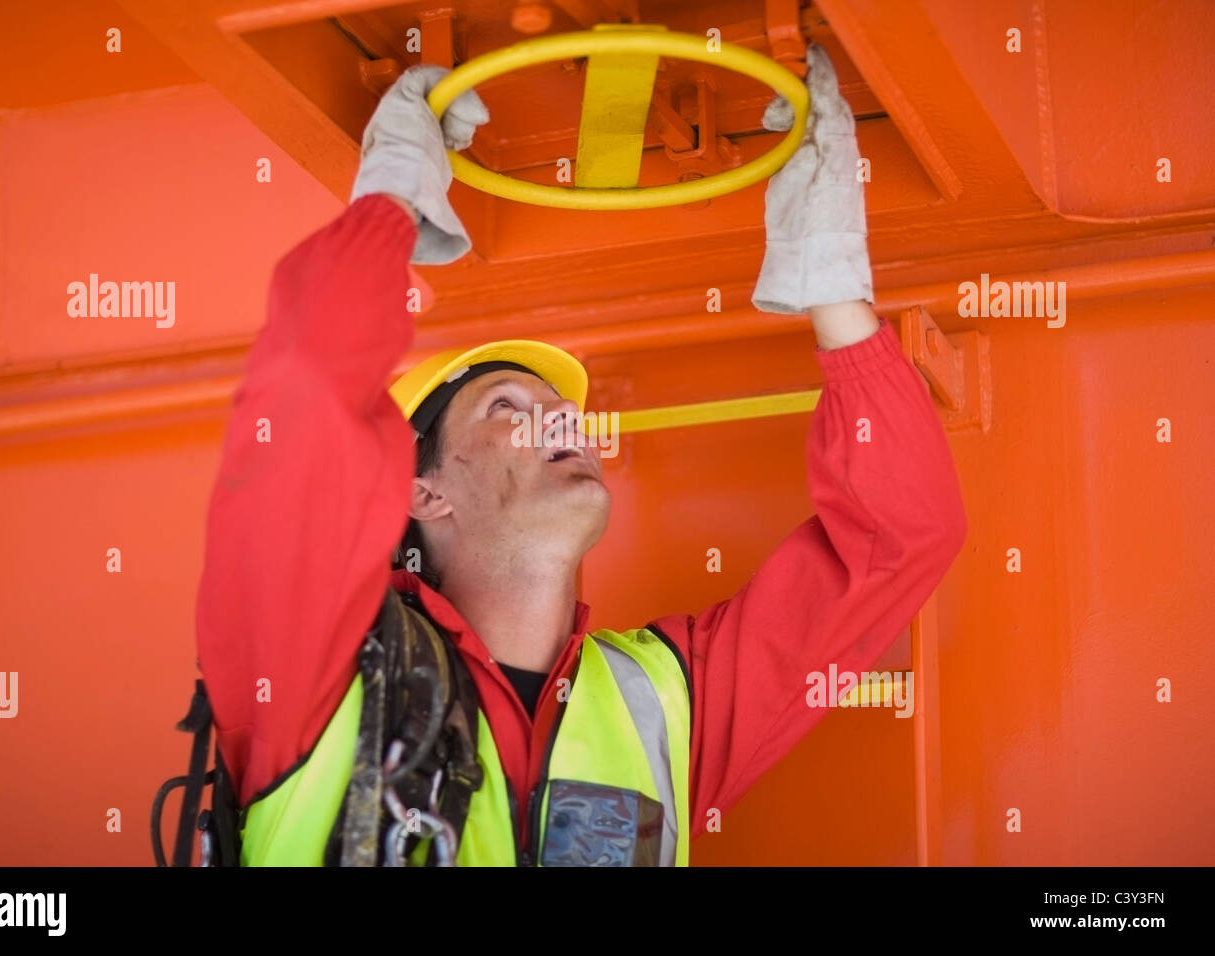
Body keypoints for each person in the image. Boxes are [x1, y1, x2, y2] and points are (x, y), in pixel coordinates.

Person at [193, 45, 966, 866]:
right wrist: (388, 209)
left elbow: (898, 540)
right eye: (507, 408)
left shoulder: (667, 699)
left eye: (564, 406)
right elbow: (306, 395)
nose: (565, 416)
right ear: (422, 493)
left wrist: (832, 287)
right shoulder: (307, 655)